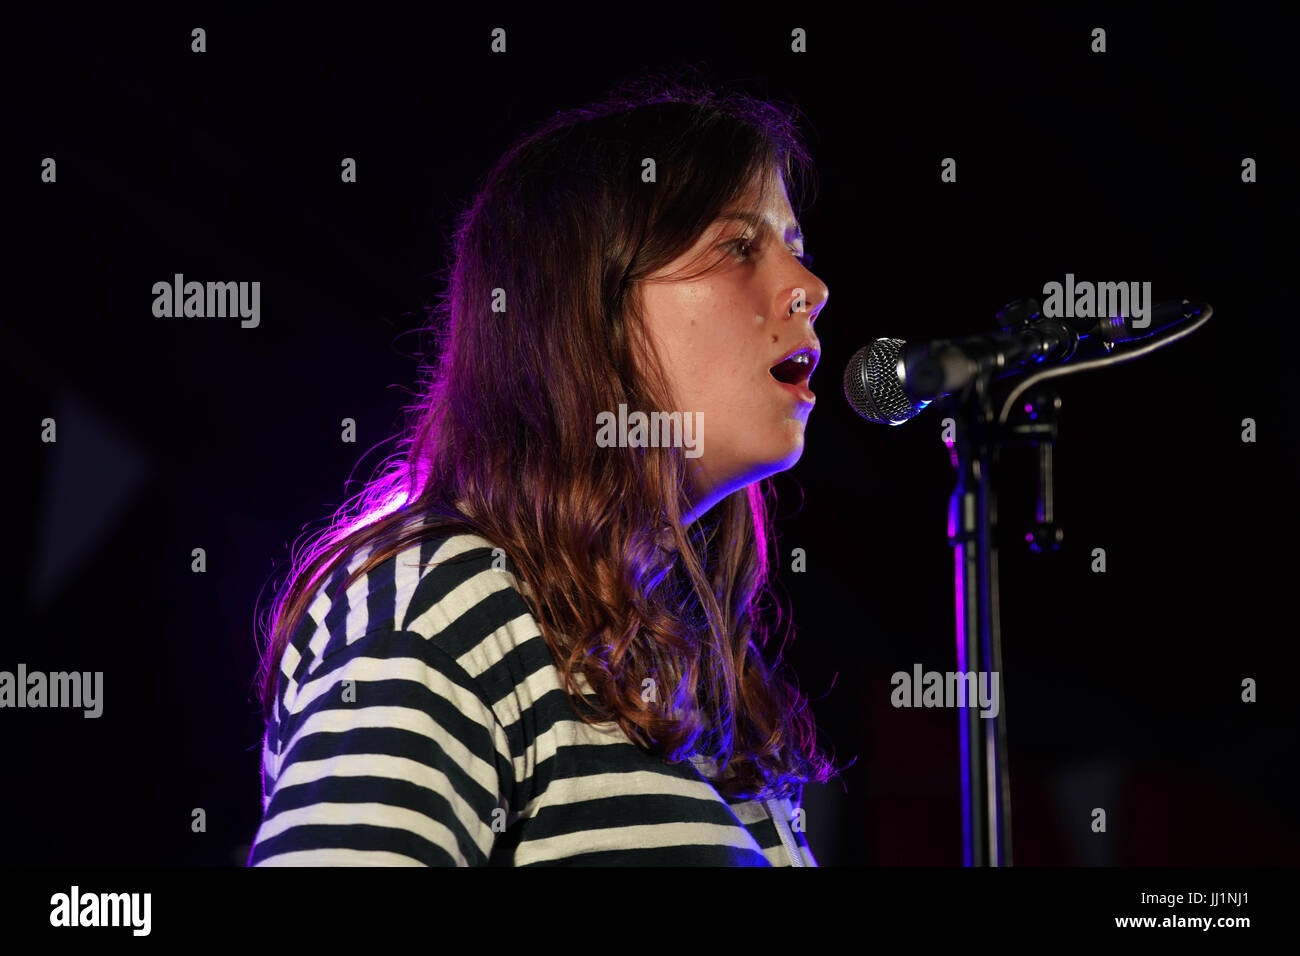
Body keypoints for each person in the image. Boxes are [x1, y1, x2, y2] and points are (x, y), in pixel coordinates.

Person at [247, 71, 846, 866]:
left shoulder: (677, 664)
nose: (810, 287)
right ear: (589, 308)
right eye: (738, 247)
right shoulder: (442, 602)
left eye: (796, 251)